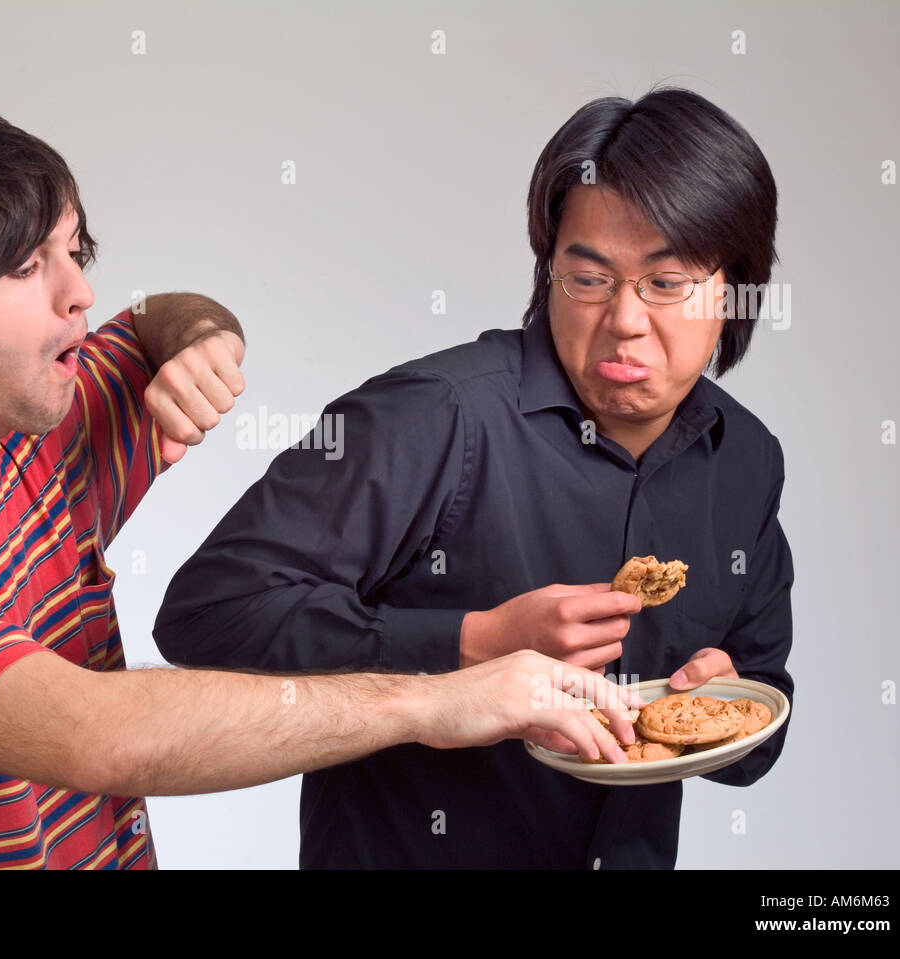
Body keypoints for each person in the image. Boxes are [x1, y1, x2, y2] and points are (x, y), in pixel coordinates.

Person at [0, 108, 641, 870]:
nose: (79, 294)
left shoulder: (32, 423)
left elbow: (154, 316)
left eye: (74, 250)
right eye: (24, 269)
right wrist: (436, 697)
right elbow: (100, 736)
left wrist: (204, 336)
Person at [154, 87, 795, 868]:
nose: (625, 318)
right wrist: (470, 643)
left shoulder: (747, 459)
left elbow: (761, 727)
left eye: (666, 283)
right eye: (588, 277)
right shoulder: (433, 415)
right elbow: (206, 612)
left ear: (734, 289)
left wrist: (719, 697)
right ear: (549, 269)